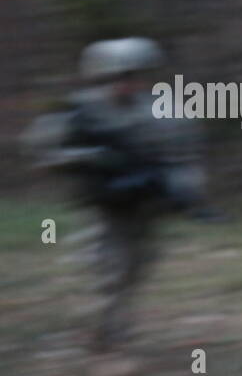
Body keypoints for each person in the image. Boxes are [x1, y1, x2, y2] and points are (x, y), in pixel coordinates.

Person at [24, 38, 207, 350]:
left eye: (136, 75)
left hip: (144, 202)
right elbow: (42, 149)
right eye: (121, 77)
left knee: (140, 263)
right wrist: (86, 158)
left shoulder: (162, 111)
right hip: (107, 203)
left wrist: (183, 190)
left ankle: (117, 317)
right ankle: (108, 329)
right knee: (110, 265)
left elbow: (182, 156)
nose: (130, 83)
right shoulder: (82, 111)